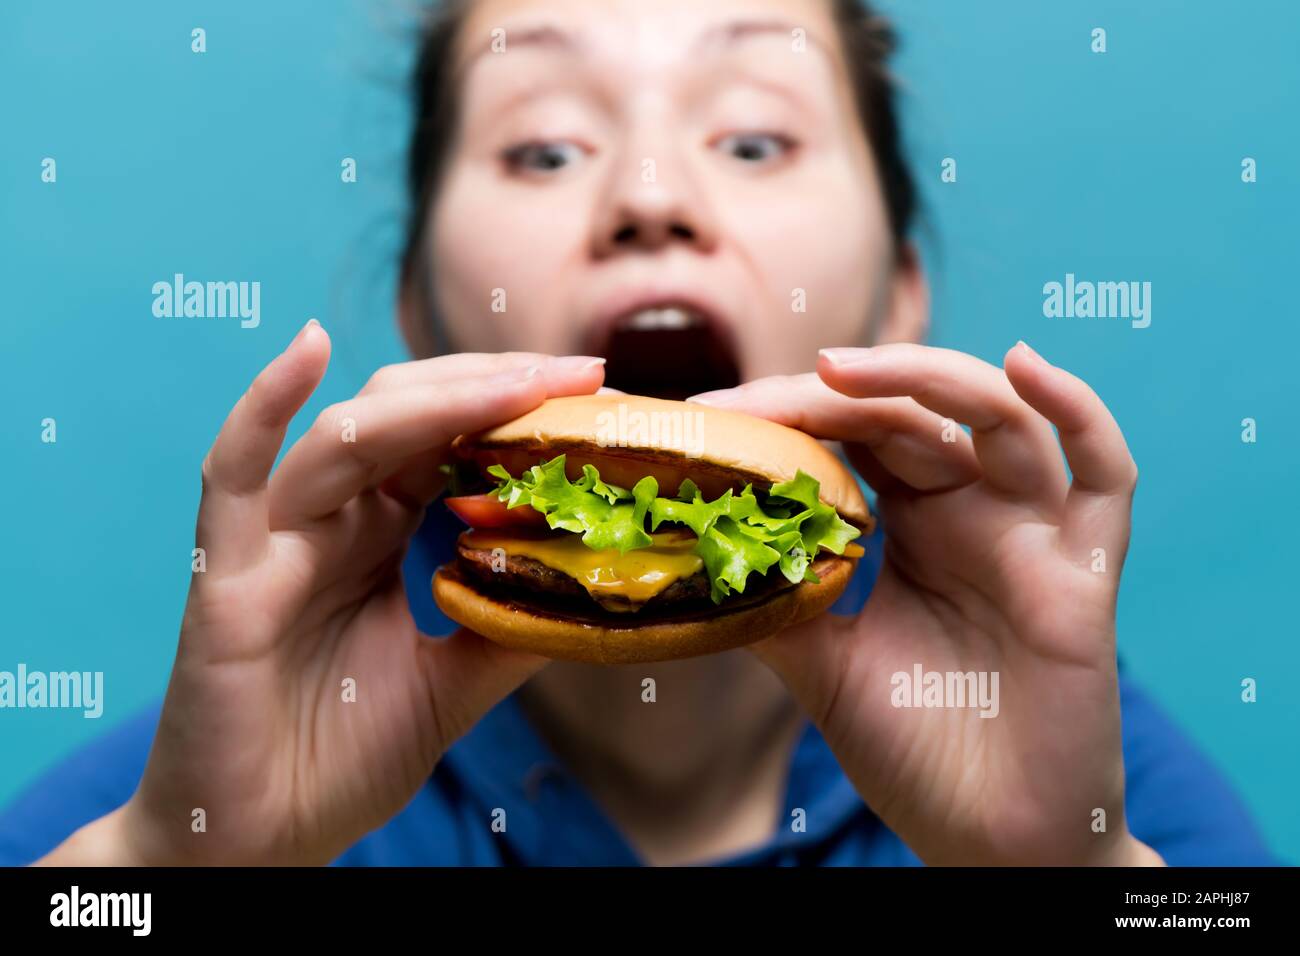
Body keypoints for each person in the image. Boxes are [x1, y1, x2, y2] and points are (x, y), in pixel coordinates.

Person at [2, 0, 1277, 867]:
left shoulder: (1087, 774)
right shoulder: (178, 786)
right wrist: (171, 862)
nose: (650, 197)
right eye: (545, 148)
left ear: (897, 291)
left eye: (753, 137)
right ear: (417, 306)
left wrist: (1079, 871)